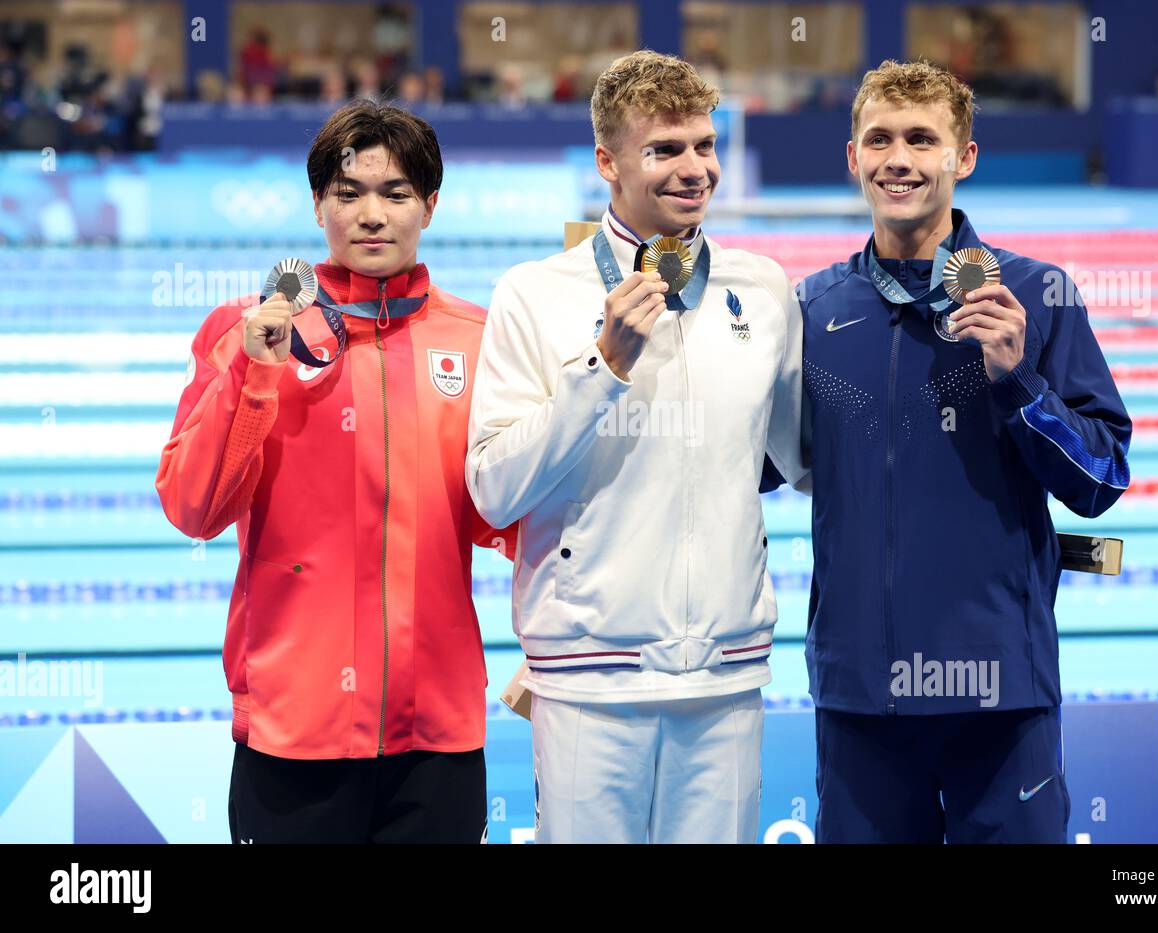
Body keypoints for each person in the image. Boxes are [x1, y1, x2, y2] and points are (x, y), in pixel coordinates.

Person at [466, 50, 808, 844]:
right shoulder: (534, 293)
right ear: (608, 163)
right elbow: (492, 486)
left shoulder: (762, 289)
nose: (695, 170)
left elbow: (803, 459)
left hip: (726, 677)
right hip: (589, 682)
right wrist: (602, 366)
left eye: (705, 145)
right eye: (665, 150)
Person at [156, 100, 511, 843]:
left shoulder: (478, 341)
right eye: (349, 194)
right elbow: (194, 507)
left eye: (397, 193)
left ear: (431, 206)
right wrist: (255, 373)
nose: (372, 214)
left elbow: (508, 522)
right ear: (319, 205)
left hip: (437, 736)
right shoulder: (247, 332)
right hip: (294, 731)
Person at [795, 60, 1131, 843]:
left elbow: (1101, 478)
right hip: (858, 697)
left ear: (964, 157)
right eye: (879, 139)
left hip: (1001, 696)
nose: (899, 159)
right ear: (853, 158)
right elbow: (763, 466)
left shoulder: (1036, 295)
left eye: (923, 138)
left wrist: (1018, 384)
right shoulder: (813, 309)